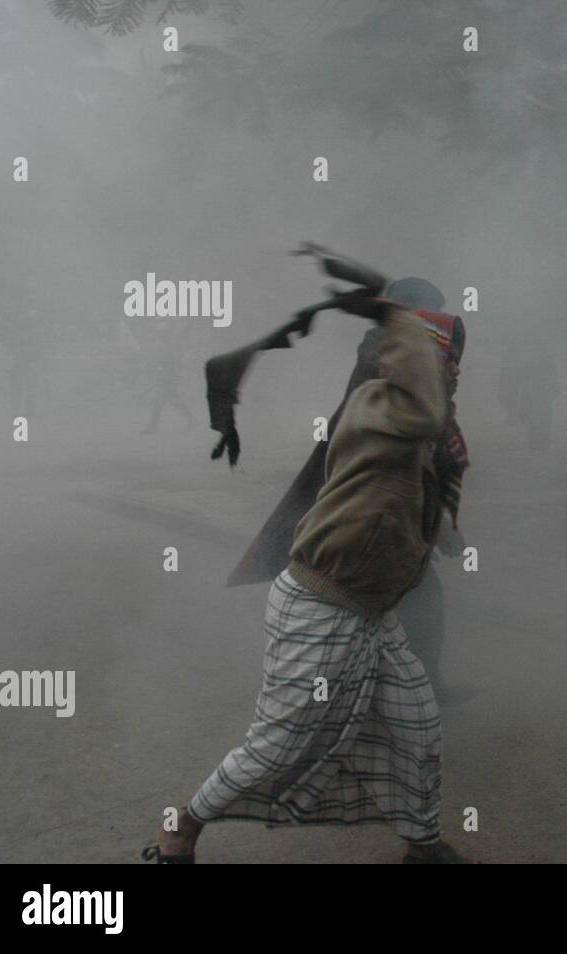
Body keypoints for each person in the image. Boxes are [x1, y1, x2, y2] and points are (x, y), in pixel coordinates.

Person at [145, 282, 466, 863]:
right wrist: (396, 318)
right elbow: (423, 408)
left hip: (371, 608)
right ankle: (182, 830)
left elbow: (421, 484)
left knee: (417, 720)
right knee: (277, 746)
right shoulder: (378, 406)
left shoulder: (420, 426)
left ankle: (422, 845)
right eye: (421, 355)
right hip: (322, 603)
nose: (390, 359)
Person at [227, 278, 470, 701]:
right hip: (370, 516)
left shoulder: (405, 364)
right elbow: (407, 456)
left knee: (405, 603)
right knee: (409, 602)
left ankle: (397, 690)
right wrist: (441, 528)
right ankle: (379, 692)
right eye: (427, 314)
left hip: (379, 515)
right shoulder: (390, 365)